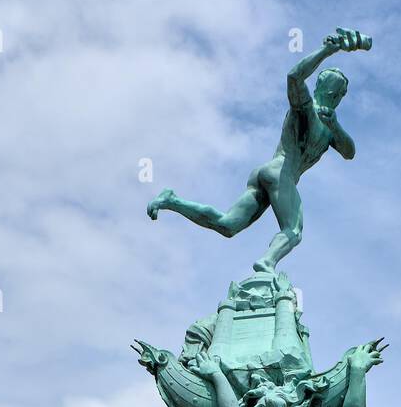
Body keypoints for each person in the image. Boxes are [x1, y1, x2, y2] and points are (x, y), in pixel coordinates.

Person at [147, 28, 371, 273]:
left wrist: (335, 124)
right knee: (293, 231)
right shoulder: (307, 109)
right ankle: (267, 261)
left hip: (266, 172)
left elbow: (349, 151)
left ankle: (172, 200)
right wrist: (328, 50)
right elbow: (294, 77)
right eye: (341, 93)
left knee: (228, 224)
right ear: (337, 95)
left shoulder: (329, 128)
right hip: (281, 174)